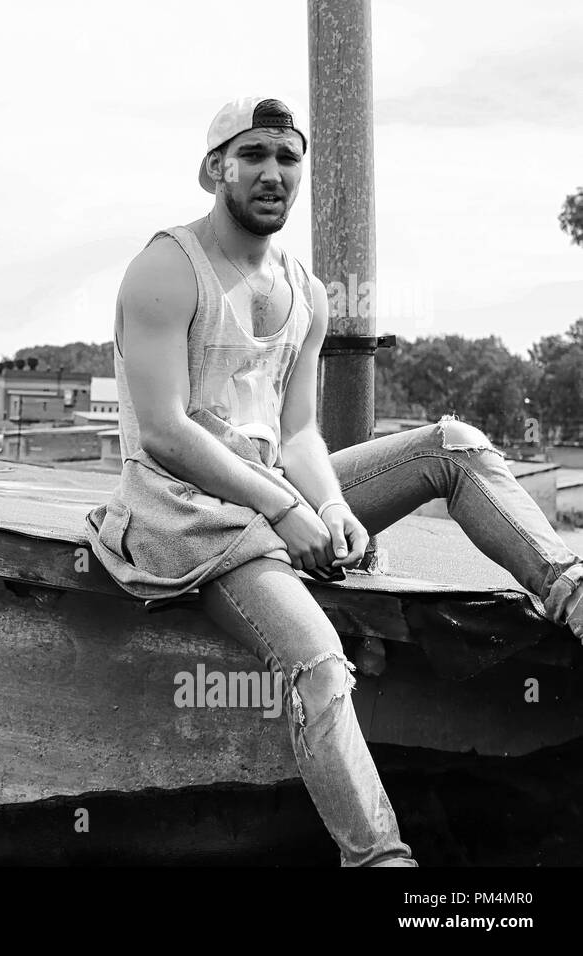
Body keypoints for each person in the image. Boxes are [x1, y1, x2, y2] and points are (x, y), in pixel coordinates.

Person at [84, 95, 583, 867]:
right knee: (318, 661)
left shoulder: (305, 292)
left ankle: (571, 594)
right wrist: (287, 508)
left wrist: (327, 503)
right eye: (253, 156)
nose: (273, 173)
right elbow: (165, 432)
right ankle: (381, 860)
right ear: (214, 168)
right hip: (189, 521)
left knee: (450, 444)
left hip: (274, 493)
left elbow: (299, 433)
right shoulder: (165, 269)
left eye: (288, 158)